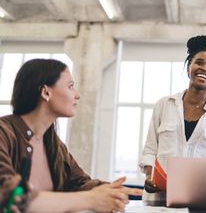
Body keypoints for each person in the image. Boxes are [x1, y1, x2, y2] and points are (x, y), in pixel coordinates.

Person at [0, 58, 142, 213]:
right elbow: (8, 195)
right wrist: (92, 199)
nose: (77, 95)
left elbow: (80, 184)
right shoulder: (4, 132)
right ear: (46, 92)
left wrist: (110, 191)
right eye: (71, 86)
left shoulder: (54, 144)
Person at [139, 35, 206, 199]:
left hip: (200, 198)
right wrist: (149, 177)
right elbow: (149, 151)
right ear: (188, 67)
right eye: (199, 62)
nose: (204, 68)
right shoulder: (164, 105)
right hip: (160, 199)